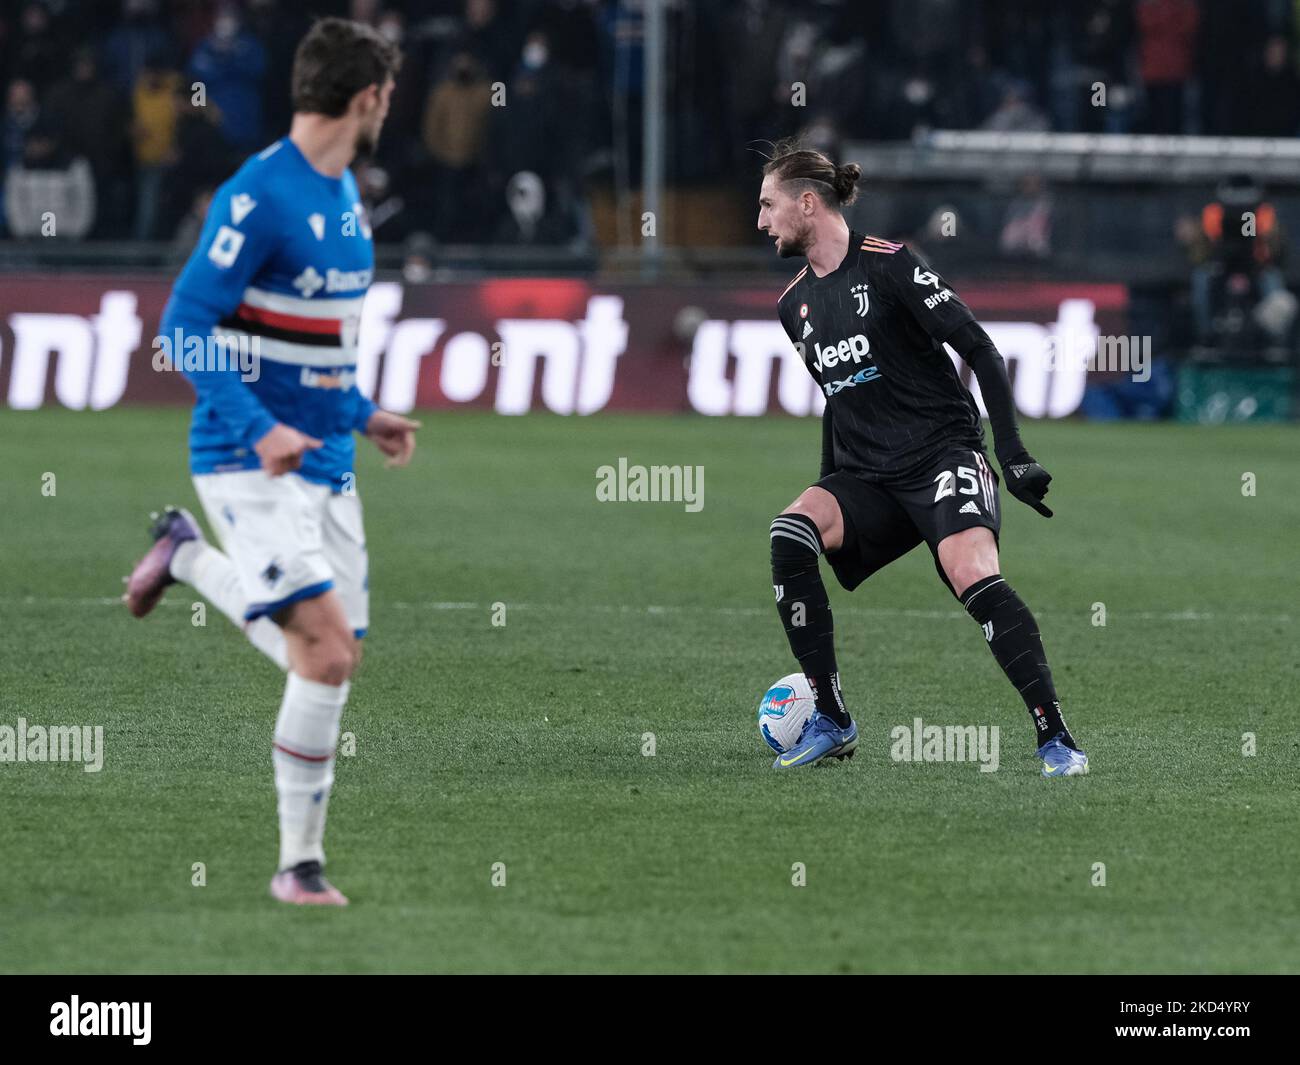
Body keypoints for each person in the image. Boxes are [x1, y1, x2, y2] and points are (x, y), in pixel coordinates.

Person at [124, 18, 420, 906]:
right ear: (367, 98)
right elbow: (180, 329)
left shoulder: (346, 202)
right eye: (389, 98)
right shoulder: (258, 196)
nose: (388, 112)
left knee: (324, 656)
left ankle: (181, 555)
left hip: (326, 460)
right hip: (243, 456)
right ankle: (298, 868)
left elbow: (319, 355)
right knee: (324, 653)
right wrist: (258, 429)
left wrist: (364, 416)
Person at [757, 140, 1087, 777]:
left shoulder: (892, 266)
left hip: (941, 456)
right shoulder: (791, 305)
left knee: (971, 572)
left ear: (806, 203)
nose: (761, 221)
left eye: (769, 205)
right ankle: (831, 717)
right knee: (789, 533)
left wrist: (1012, 456)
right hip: (869, 478)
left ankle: (1056, 738)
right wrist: (830, 482)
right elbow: (838, 396)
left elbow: (981, 350)